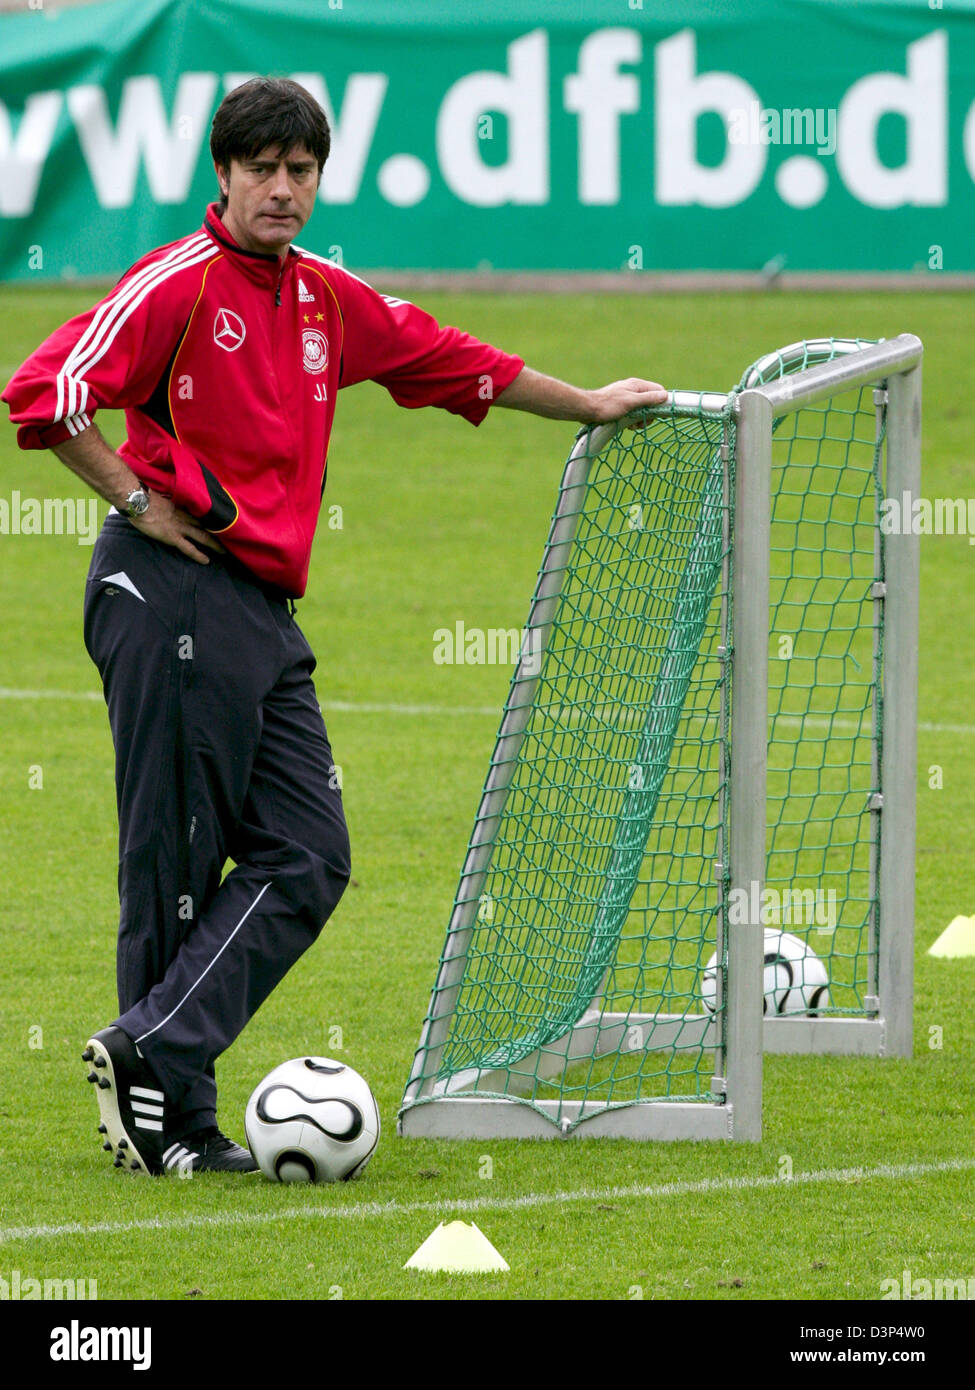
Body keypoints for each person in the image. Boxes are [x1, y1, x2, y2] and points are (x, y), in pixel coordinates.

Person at [2, 77, 667, 1176]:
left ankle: (151, 1052)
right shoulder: (174, 283)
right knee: (176, 860)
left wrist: (589, 402)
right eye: (260, 168)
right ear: (223, 175)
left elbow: (453, 359)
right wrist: (133, 498)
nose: (281, 188)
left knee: (309, 852)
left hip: (261, 606)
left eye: (299, 170)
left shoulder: (324, 297)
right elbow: (47, 390)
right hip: (168, 589)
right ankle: (170, 1125)